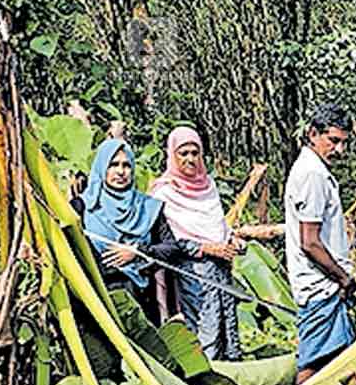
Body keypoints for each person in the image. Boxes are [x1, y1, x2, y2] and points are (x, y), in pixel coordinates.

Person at [78, 138, 198, 324]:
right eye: (113, 165)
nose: (120, 172)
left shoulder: (147, 207)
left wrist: (138, 251)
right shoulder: (82, 207)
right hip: (97, 301)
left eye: (126, 165)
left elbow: (171, 247)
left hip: (141, 299)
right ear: (102, 168)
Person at [149, 126, 243, 360]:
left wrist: (231, 240)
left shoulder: (208, 186)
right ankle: (206, 377)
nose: (190, 159)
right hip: (193, 273)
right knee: (204, 329)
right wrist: (209, 248)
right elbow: (169, 241)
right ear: (172, 155)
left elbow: (218, 226)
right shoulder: (164, 193)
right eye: (183, 153)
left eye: (195, 152)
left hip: (221, 269)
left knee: (227, 327)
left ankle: (230, 375)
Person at [284, 103, 356, 385]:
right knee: (312, 364)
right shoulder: (312, 174)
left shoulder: (315, 170)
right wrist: (343, 278)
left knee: (329, 359)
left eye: (343, 143)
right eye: (333, 141)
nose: (340, 150)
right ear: (313, 134)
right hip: (320, 285)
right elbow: (310, 242)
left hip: (324, 284)